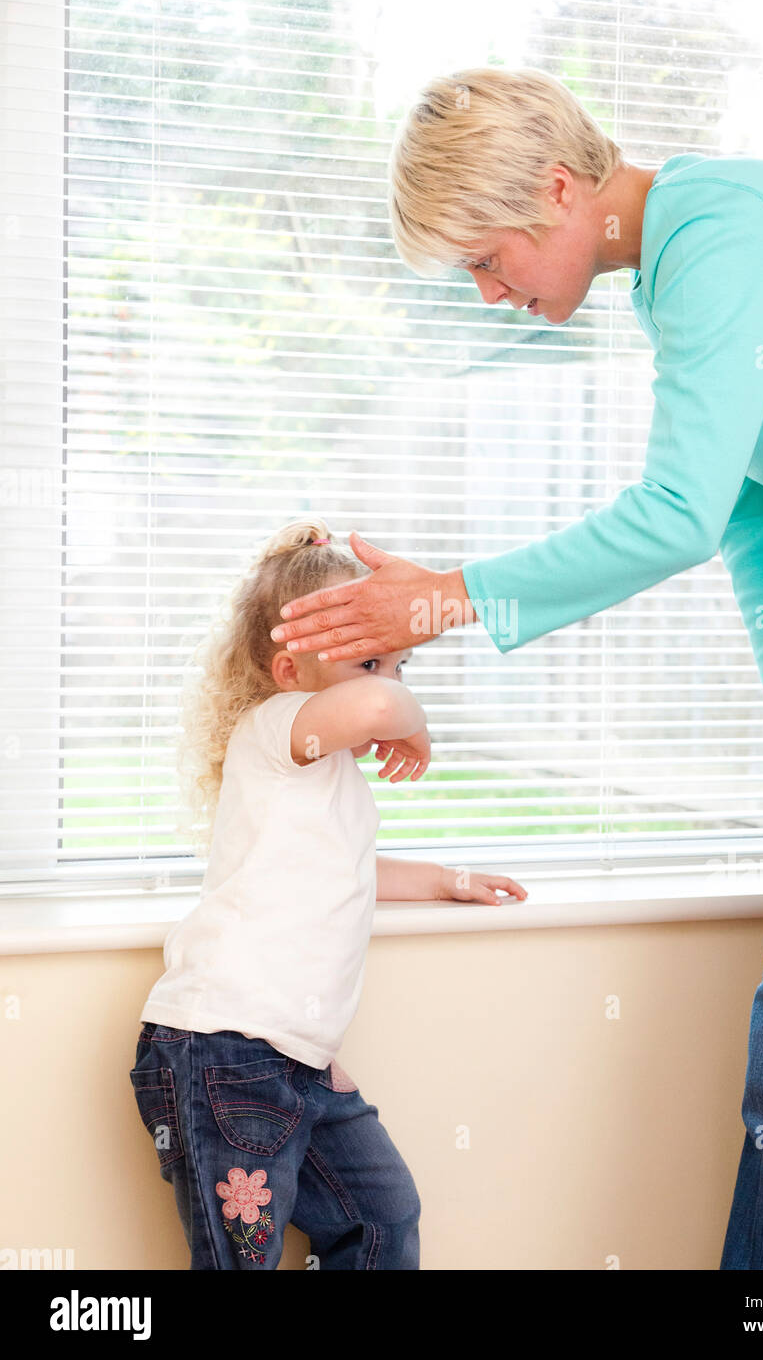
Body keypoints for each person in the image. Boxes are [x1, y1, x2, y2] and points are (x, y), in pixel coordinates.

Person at [266, 67, 763, 1270]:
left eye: (486, 256)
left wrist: (447, 594)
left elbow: (674, 514)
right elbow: (749, 523)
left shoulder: (715, 234)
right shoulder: (681, 274)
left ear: (558, 189)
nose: (488, 291)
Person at [130, 517, 526, 1270]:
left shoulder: (326, 778)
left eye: (400, 664)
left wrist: (449, 881)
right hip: (223, 1051)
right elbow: (381, 713)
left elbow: (349, 870)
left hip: (291, 1060)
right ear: (289, 672)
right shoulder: (276, 734)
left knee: (381, 1215)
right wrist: (415, 726)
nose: (392, 685)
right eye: (370, 661)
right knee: (241, 1256)